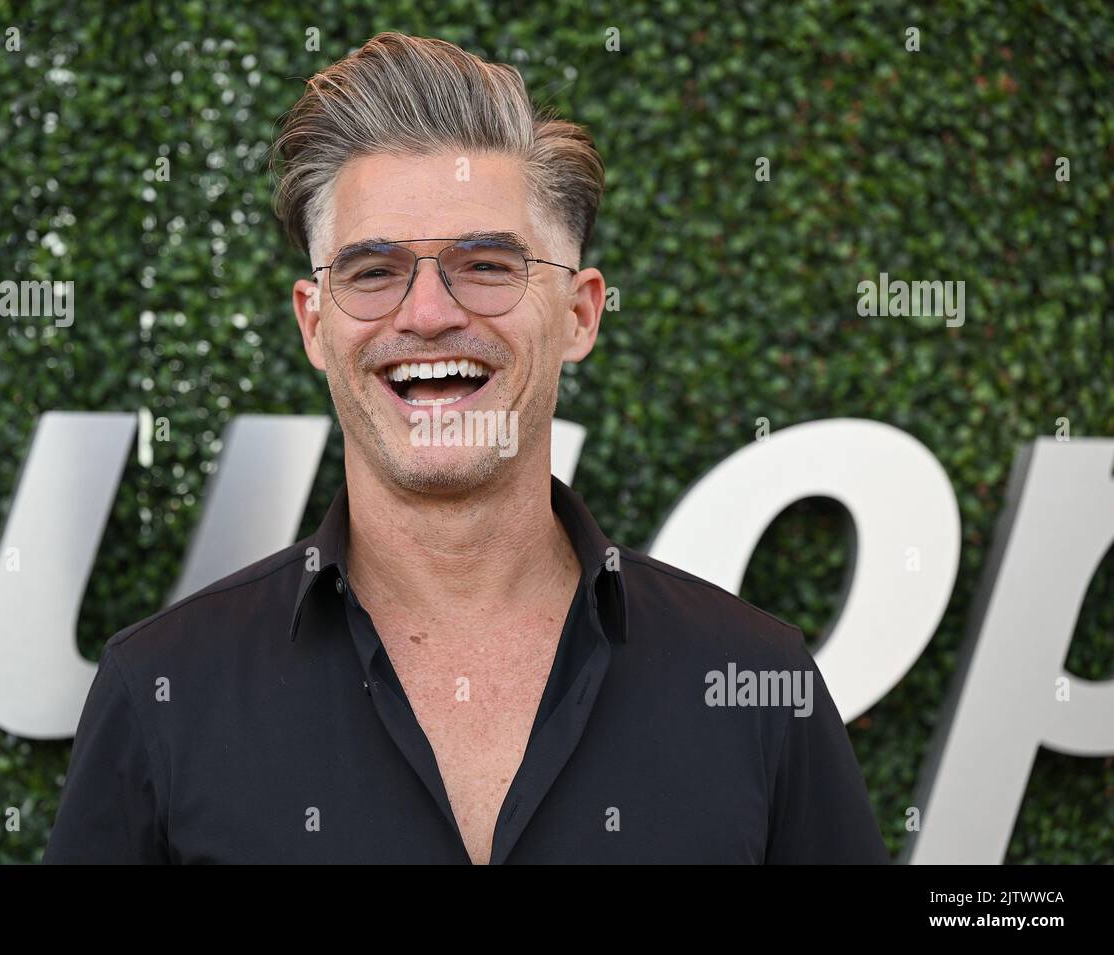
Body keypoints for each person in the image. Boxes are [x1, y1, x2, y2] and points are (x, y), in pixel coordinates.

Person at [44, 31, 888, 864]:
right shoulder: (161, 690)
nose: (427, 314)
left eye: (485, 264)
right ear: (313, 322)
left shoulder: (757, 681)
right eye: (372, 272)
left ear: (580, 313)